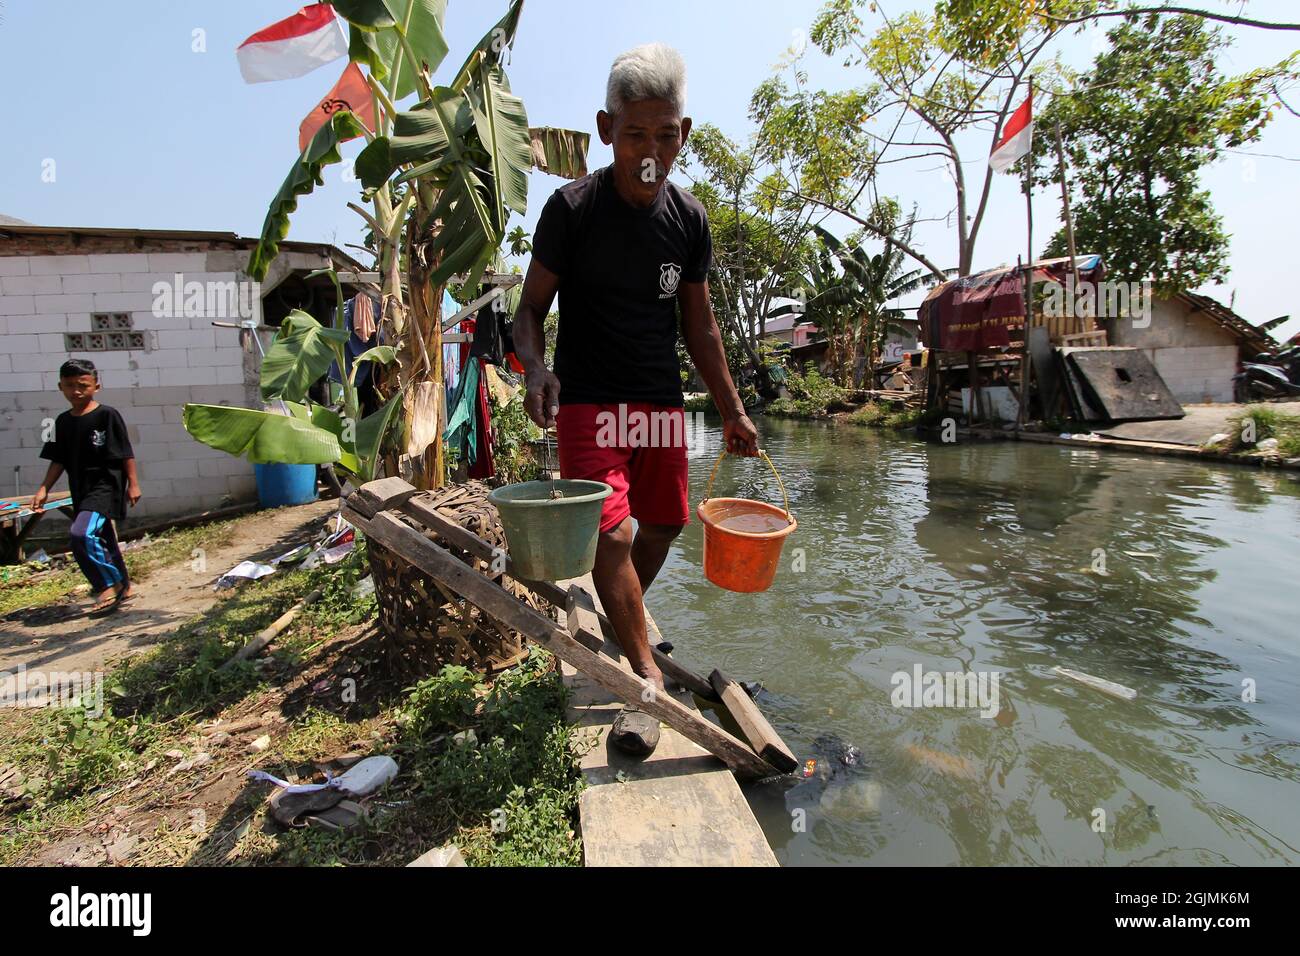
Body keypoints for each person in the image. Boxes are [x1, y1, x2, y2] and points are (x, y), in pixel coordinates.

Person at [512, 42, 759, 755]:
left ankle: (626, 615)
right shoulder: (573, 209)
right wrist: (534, 368)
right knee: (611, 535)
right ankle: (642, 677)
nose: (650, 150)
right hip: (588, 398)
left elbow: (701, 325)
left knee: (663, 525)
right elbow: (530, 310)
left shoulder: (689, 219)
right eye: (634, 134)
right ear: (604, 129)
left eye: (665, 134)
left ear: (684, 133)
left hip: (657, 401)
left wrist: (734, 409)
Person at [32, 358, 142, 615]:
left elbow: (125, 452)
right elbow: (57, 459)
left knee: (80, 534)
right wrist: (43, 488)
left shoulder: (107, 415)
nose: (76, 391)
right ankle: (124, 586)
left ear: (96, 386)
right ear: (61, 387)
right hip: (80, 486)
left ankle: (107, 583)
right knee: (103, 538)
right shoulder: (61, 421)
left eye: (83, 385)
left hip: (106, 485)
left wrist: (133, 484)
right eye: (70, 385)